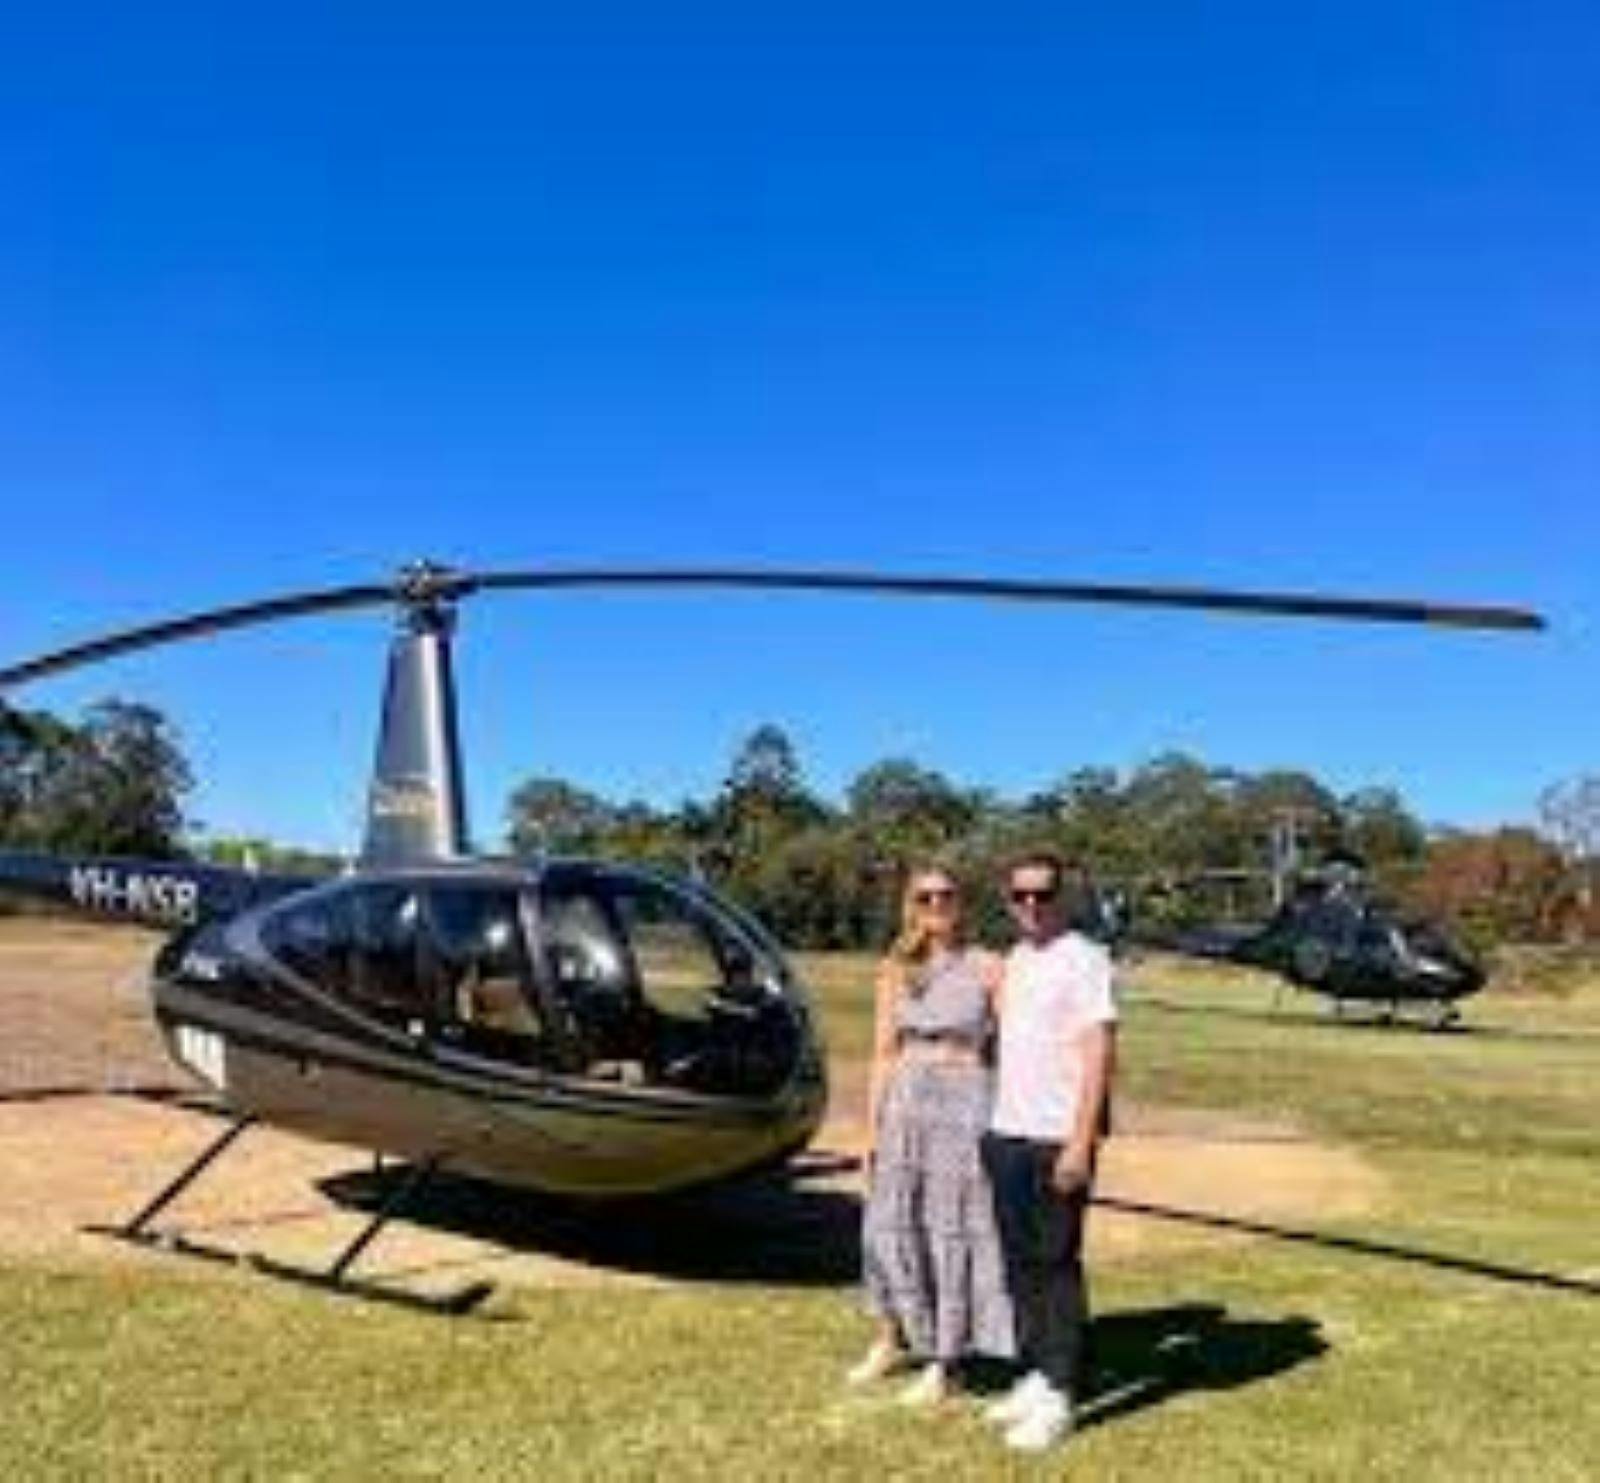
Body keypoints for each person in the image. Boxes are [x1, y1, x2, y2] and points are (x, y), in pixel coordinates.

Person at [848, 865, 1014, 1404]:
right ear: (911, 905)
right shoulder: (897, 967)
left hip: (967, 1101)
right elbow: (882, 1052)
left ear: (962, 901)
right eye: (925, 897)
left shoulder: (990, 966)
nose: (936, 904)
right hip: (906, 1100)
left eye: (946, 895)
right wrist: (870, 1133)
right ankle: (890, 1336)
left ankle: (947, 1359)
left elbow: (1011, 1049)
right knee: (890, 1225)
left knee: (952, 1229)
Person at [980, 850, 1118, 1453]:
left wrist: (1081, 1142)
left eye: (1043, 895)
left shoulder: (1085, 959)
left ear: (1062, 898)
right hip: (1007, 1131)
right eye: (1020, 896)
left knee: (1056, 1263)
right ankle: (1036, 1372)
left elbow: (1098, 1054)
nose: (1031, 906)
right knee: (1018, 1264)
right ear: (1008, 900)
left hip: (1056, 1137)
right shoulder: (1014, 959)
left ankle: (1062, 1391)